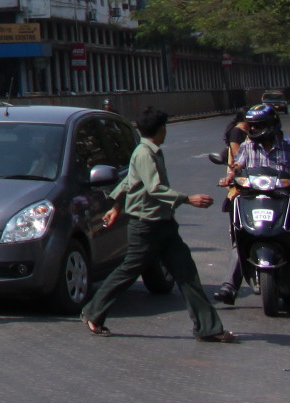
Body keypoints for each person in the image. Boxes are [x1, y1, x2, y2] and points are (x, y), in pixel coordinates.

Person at [84, 108, 231, 341]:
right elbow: (154, 188)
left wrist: (115, 207)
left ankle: (208, 328)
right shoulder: (145, 154)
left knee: (187, 274)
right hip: (146, 227)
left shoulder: (148, 152)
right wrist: (188, 199)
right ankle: (93, 313)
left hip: (164, 224)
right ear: (161, 129)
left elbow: (128, 183)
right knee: (128, 271)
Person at [216, 105, 285, 305]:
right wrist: (230, 175)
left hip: (282, 200)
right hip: (254, 199)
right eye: (251, 126)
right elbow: (238, 165)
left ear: (271, 125)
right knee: (242, 235)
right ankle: (229, 287)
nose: (253, 130)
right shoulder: (247, 146)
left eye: (258, 126)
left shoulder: (287, 145)